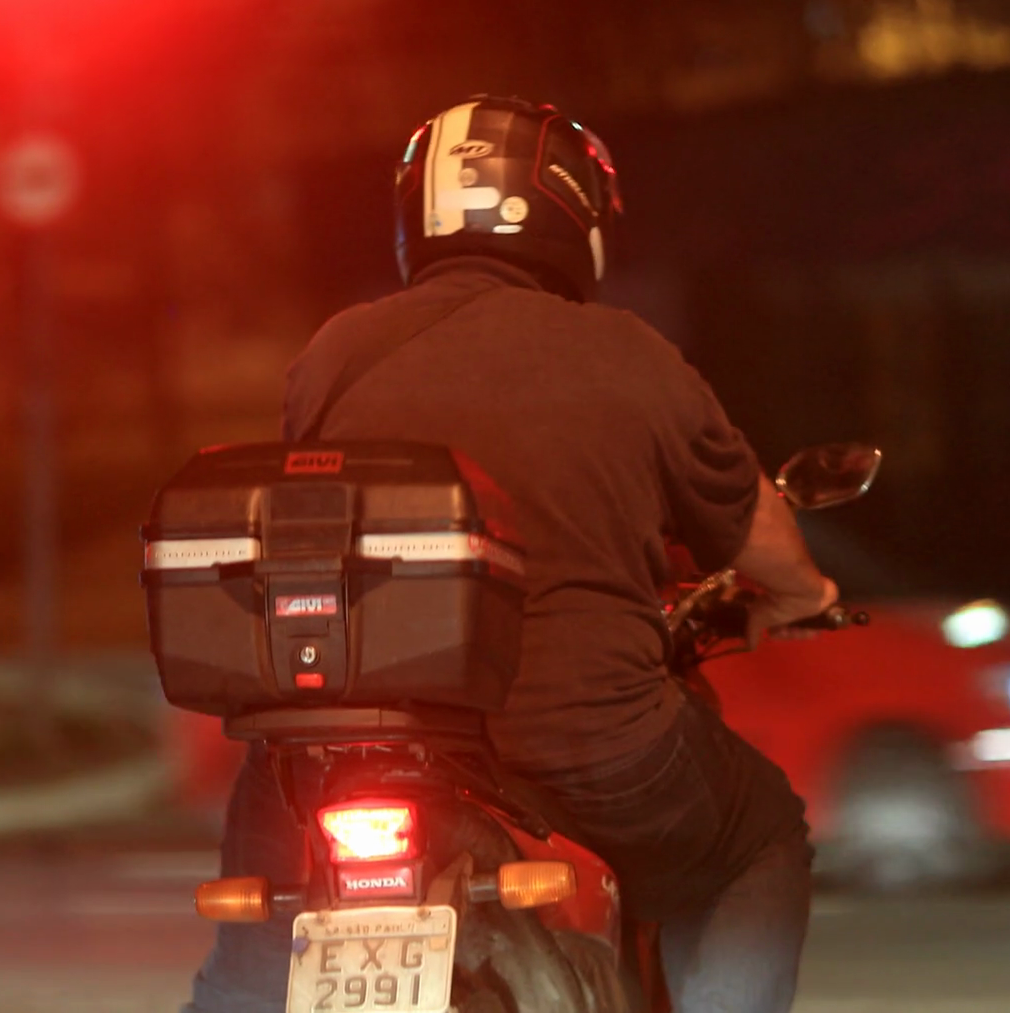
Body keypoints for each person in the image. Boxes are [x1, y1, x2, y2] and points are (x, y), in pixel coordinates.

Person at [184, 95, 839, 1013]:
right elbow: (751, 528)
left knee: (251, 955)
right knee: (759, 834)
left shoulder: (336, 352)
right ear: (576, 215)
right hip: (589, 745)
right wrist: (801, 594)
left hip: (342, 752)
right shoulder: (632, 356)